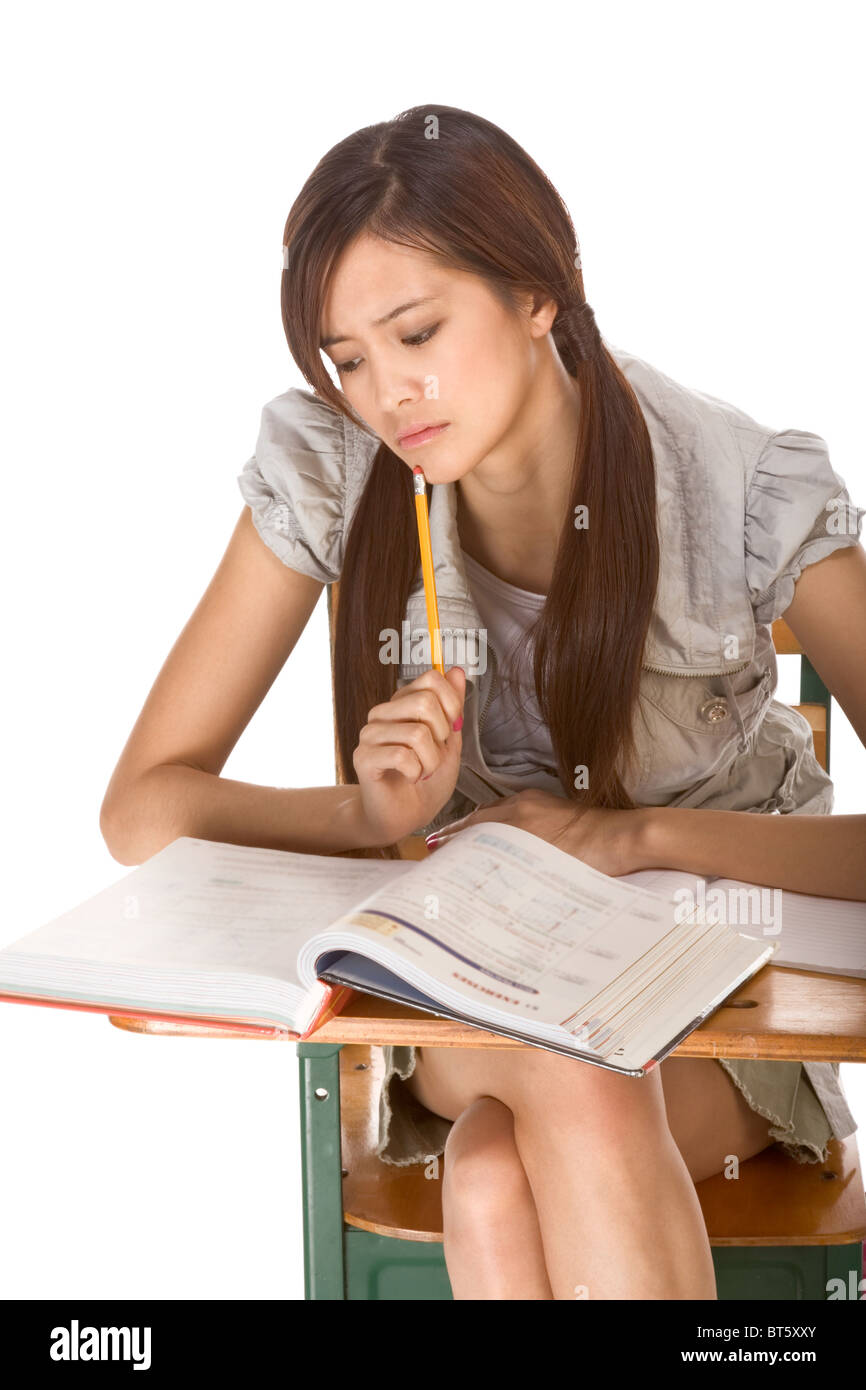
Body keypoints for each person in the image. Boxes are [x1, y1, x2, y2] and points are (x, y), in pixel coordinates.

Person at [100, 104, 866, 1301]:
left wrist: (634, 838)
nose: (386, 393)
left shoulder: (737, 485)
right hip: (482, 1004)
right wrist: (363, 817)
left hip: (715, 1021)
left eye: (415, 332)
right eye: (348, 359)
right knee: (559, 1071)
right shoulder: (338, 473)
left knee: (493, 1172)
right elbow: (142, 812)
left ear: (536, 294)